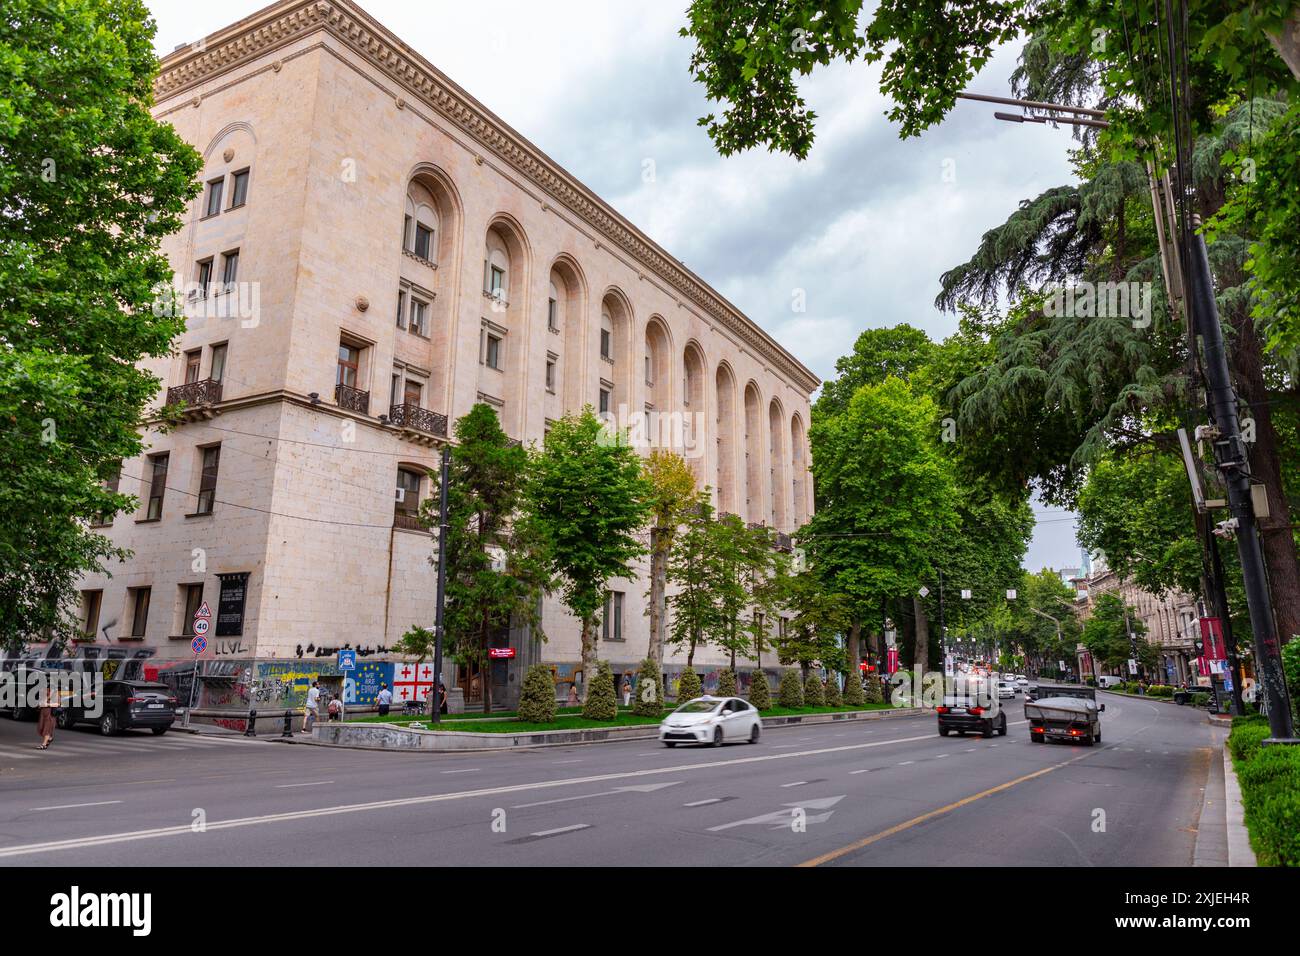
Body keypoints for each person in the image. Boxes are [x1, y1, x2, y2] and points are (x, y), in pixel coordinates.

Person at [36, 683, 58, 750]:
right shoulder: (43, 695)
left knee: (47, 730)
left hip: (50, 714)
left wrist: (47, 704)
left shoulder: (56, 695)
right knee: (40, 729)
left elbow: (57, 704)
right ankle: (50, 738)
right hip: (43, 714)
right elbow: (41, 703)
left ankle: (44, 744)